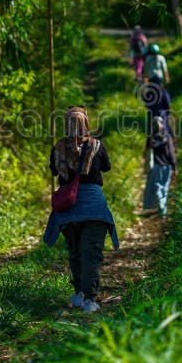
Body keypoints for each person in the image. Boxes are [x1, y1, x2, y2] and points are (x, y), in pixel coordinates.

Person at [43, 106, 119, 313]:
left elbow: (53, 170)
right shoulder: (96, 146)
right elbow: (106, 167)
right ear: (86, 124)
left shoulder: (58, 147)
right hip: (94, 207)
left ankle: (78, 293)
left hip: (68, 208)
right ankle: (90, 300)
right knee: (91, 254)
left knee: (75, 251)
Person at [142, 115, 177, 218]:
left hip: (156, 167)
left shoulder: (151, 138)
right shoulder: (167, 137)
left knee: (157, 187)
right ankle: (162, 209)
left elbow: (146, 152)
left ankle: (161, 208)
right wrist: (175, 166)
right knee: (163, 188)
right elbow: (171, 153)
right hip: (165, 166)